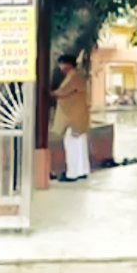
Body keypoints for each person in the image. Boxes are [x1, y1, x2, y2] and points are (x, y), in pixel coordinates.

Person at [51, 53, 90, 182]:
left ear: (67, 64)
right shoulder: (78, 76)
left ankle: (72, 173)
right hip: (78, 116)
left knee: (71, 144)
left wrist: (48, 93)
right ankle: (82, 171)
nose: (60, 67)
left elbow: (63, 92)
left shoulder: (73, 77)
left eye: (61, 64)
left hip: (72, 117)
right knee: (80, 144)